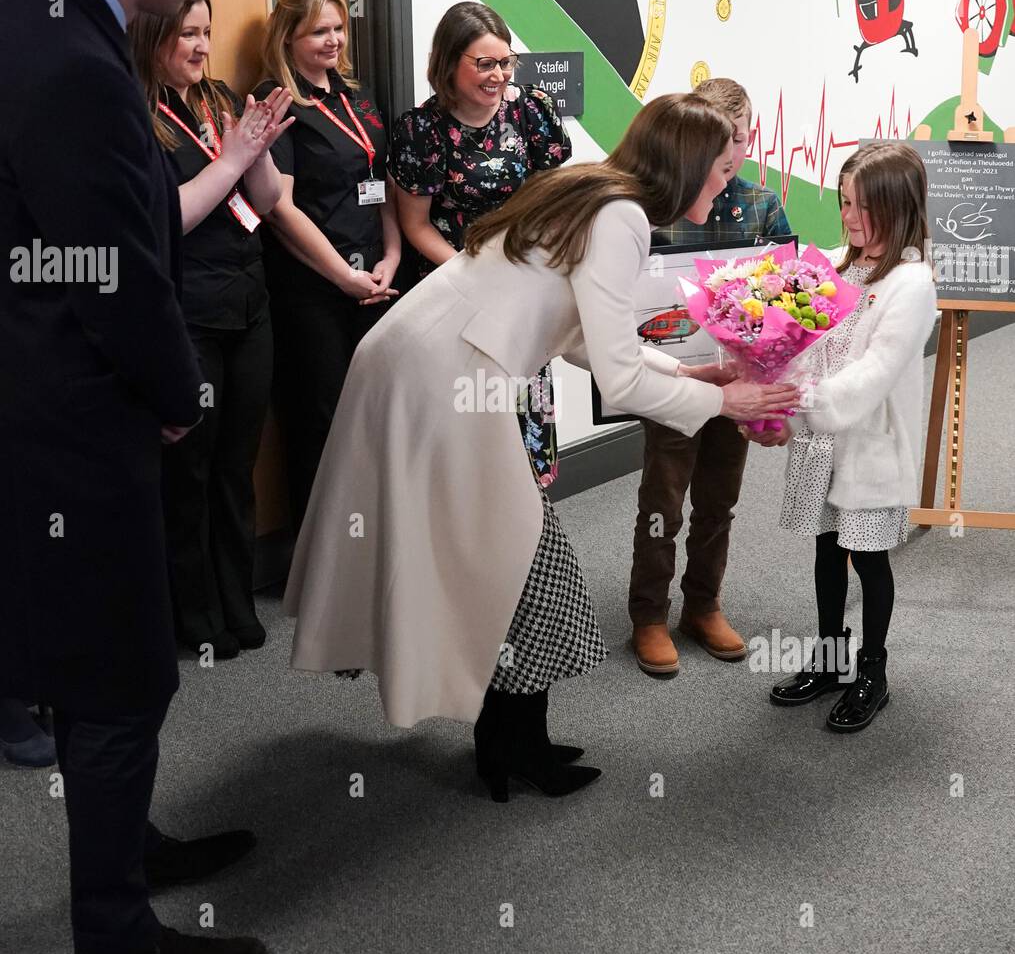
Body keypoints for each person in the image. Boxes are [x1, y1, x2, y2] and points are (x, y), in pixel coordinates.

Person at [284, 94, 800, 801]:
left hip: (432, 362)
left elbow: (586, 338)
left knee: (515, 566)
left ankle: (509, 743)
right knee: (523, 566)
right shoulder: (620, 218)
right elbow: (616, 371)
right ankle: (510, 745)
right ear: (684, 169)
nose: (727, 183)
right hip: (449, 377)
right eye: (719, 171)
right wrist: (723, 400)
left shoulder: (595, 190)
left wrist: (685, 372)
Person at [0, 0, 265, 954]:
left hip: (43, 403)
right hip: (76, 419)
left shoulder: (33, 25)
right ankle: (113, 937)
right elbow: (117, 270)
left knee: (106, 666)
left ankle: (130, 845)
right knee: (118, 675)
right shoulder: (75, 66)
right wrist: (176, 395)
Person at [130, 0, 292, 661]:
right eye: (184, 34)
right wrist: (229, 158)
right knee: (188, 472)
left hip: (248, 303)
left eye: (205, 31)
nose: (199, 46)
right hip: (187, 312)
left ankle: (235, 598)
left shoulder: (220, 101)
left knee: (236, 464)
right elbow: (167, 219)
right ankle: (192, 612)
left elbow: (269, 200)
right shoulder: (134, 115)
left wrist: (255, 149)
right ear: (150, 39)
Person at [759, 141, 937, 732]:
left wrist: (802, 400)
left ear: (900, 206)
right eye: (845, 203)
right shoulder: (834, 262)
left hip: (869, 444)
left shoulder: (911, 282)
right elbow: (797, 338)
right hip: (819, 441)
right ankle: (832, 659)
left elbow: (874, 373)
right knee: (827, 549)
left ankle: (872, 671)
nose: (851, 219)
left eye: (865, 208)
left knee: (868, 556)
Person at [629, 77, 793, 677]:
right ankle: (648, 614)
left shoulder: (761, 205)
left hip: (738, 379)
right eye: (724, 145)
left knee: (719, 499)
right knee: (663, 498)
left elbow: (787, 291)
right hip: (673, 376)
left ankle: (702, 604)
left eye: (742, 142)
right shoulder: (656, 205)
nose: (734, 158)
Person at [390, 1, 571, 488]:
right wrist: (475, 275)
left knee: (523, 413)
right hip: (455, 287)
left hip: (522, 284)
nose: (498, 76)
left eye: (505, 61)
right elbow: (417, 226)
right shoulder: (420, 131)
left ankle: (531, 532)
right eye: (484, 64)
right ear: (450, 64)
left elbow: (550, 194)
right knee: (468, 417)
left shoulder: (531, 110)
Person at [254, 0, 401, 534]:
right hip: (315, 287)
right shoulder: (281, 103)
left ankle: (369, 541)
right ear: (287, 37)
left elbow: (379, 181)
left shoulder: (357, 96)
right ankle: (320, 559)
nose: (334, 39)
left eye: (338, 27)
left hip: (377, 281)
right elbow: (280, 208)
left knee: (375, 414)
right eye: (319, 31)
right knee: (322, 420)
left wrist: (390, 253)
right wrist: (342, 276)